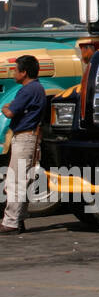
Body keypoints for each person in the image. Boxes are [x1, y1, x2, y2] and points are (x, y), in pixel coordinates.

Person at [2, 55, 47, 234]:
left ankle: (11, 222)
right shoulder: (38, 88)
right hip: (31, 138)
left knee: (15, 180)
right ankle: (18, 219)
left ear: (24, 72)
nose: (13, 73)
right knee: (23, 179)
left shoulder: (28, 90)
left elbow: (10, 112)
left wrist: (5, 107)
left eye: (15, 69)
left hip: (24, 138)